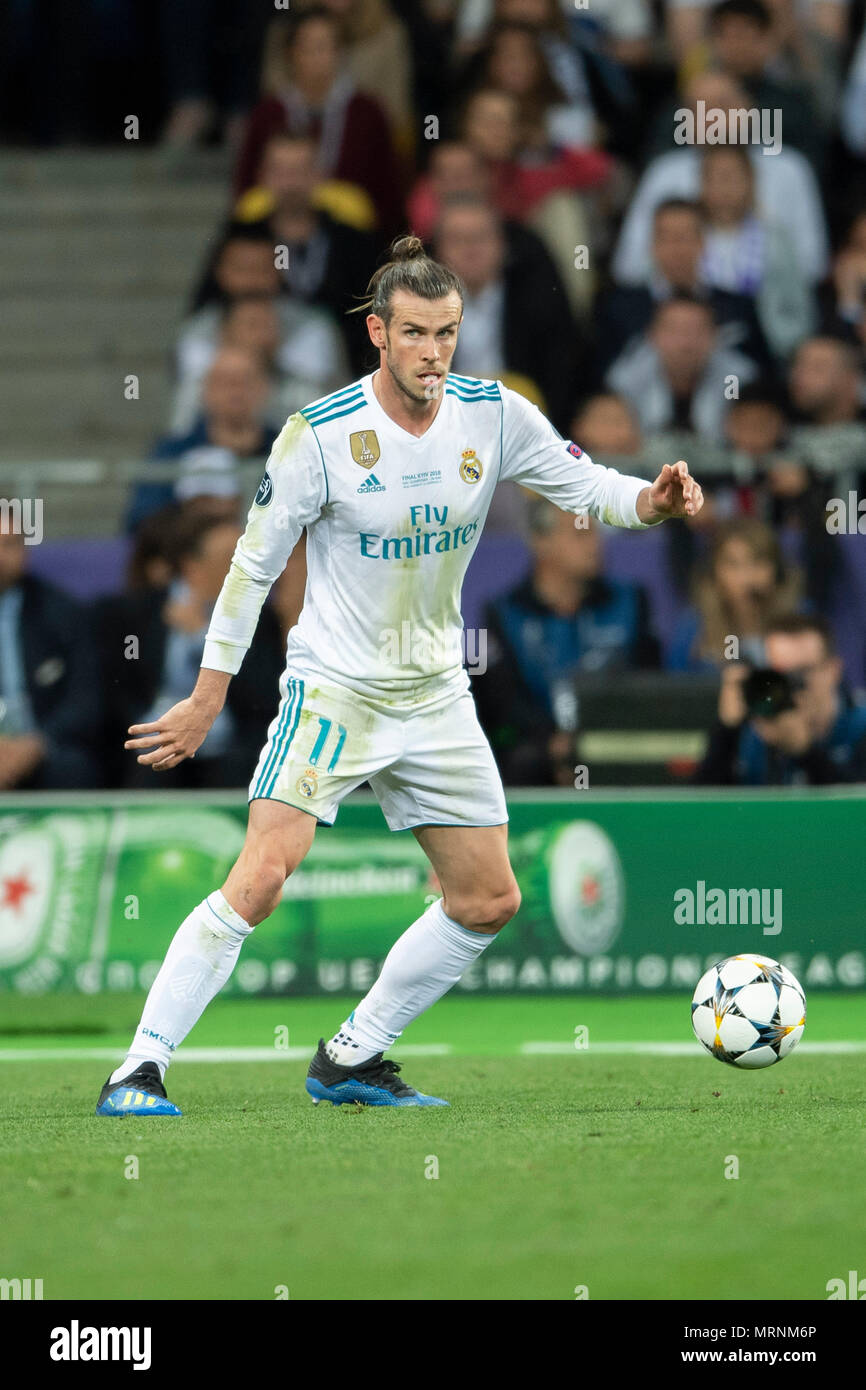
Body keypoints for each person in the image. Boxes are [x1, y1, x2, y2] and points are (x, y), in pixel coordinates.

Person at [95, 235, 703, 1118]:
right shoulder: (321, 434)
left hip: (435, 692)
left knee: (489, 897)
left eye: (448, 333)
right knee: (264, 874)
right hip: (335, 687)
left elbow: (584, 486)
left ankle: (352, 1054)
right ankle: (138, 1068)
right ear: (377, 333)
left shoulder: (492, 416)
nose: (434, 353)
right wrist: (206, 696)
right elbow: (250, 570)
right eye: (415, 333)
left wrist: (651, 498)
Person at [474, 501, 659, 786]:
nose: (595, 544)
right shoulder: (503, 613)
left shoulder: (631, 602)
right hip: (536, 754)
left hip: (612, 744)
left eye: (596, 533)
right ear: (541, 542)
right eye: (581, 534)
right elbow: (500, 702)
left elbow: (649, 683)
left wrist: (591, 739)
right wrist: (551, 742)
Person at [695, 613, 866, 784]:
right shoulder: (755, 733)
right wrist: (727, 731)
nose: (789, 686)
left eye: (800, 673)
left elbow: (855, 807)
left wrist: (806, 753)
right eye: (779, 674)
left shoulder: (860, 727)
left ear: (832, 670)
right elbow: (701, 805)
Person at [0, 519, 102, 790]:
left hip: (41, 747)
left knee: (73, 765)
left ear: (25, 551)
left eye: (9, 545)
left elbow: (86, 700)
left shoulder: (63, 613)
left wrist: (37, 744)